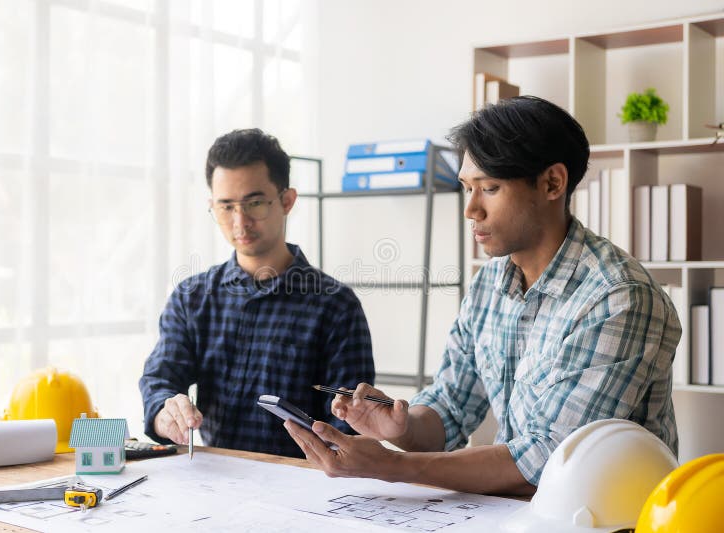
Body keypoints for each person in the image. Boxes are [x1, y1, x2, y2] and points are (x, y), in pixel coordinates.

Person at [284, 96, 680, 495]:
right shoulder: (489, 283)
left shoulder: (618, 297)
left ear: (552, 184)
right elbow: (450, 406)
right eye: (466, 188)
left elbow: (547, 461)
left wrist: (395, 465)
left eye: (489, 188)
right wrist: (402, 428)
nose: (470, 209)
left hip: (607, 516)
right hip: (519, 514)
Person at [140, 128, 375, 458]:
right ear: (212, 206)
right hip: (213, 481)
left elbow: (350, 427)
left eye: (255, 203)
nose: (240, 222)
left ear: (287, 201)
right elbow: (159, 379)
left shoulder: (335, 306)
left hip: (304, 488)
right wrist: (166, 413)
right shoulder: (192, 298)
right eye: (226, 206)